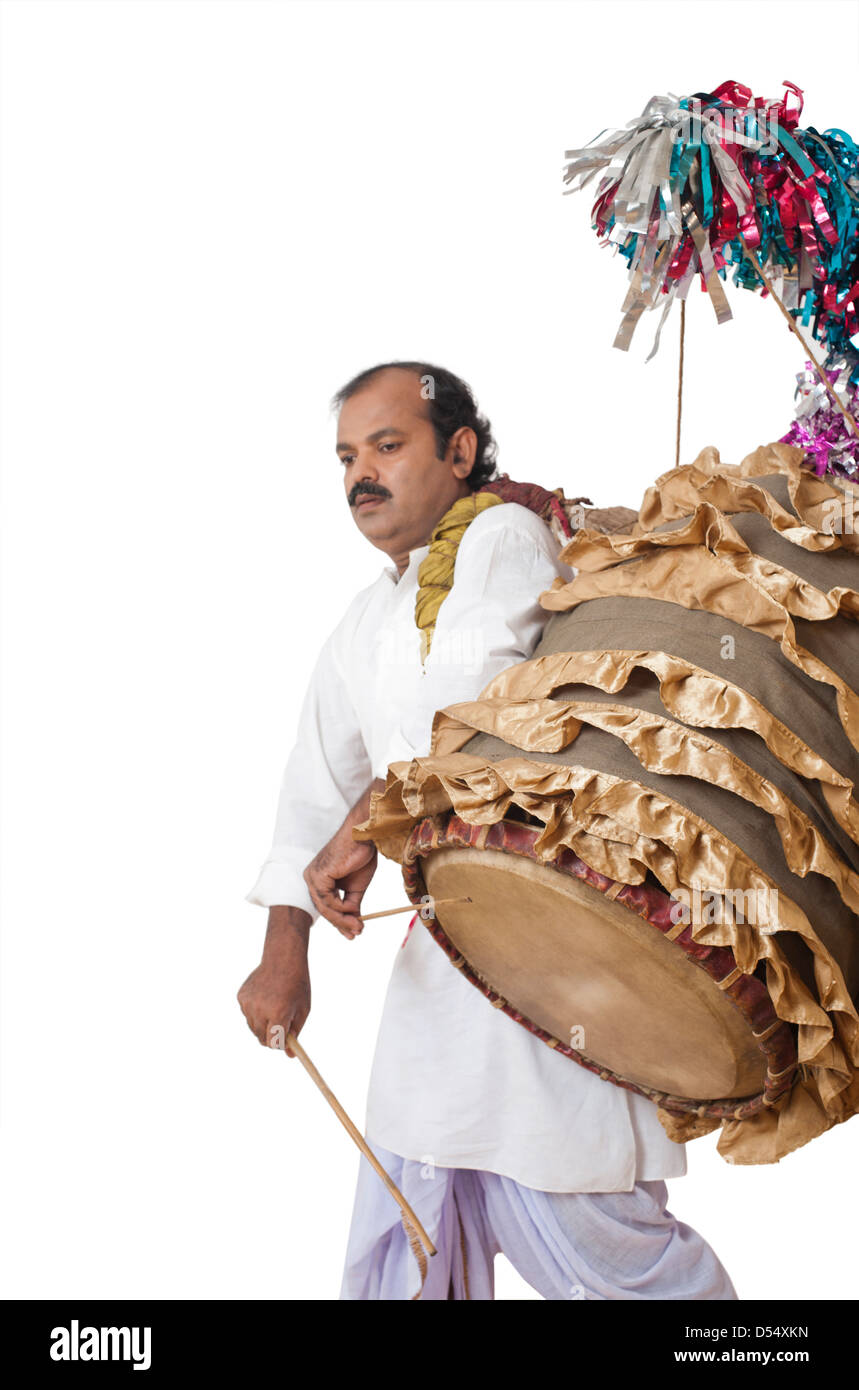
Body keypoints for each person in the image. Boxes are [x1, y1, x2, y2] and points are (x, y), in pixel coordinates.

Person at [237, 361, 737, 1301]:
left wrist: (364, 827)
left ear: (458, 452)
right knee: (402, 1244)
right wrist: (283, 948)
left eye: (388, 446)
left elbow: (467, 705)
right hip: (442, 979)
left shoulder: (502, 536)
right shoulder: (367, 616)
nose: (361, 475)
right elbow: (313, 781)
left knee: (608, 1248)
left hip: (550, 960)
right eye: (347, 456)